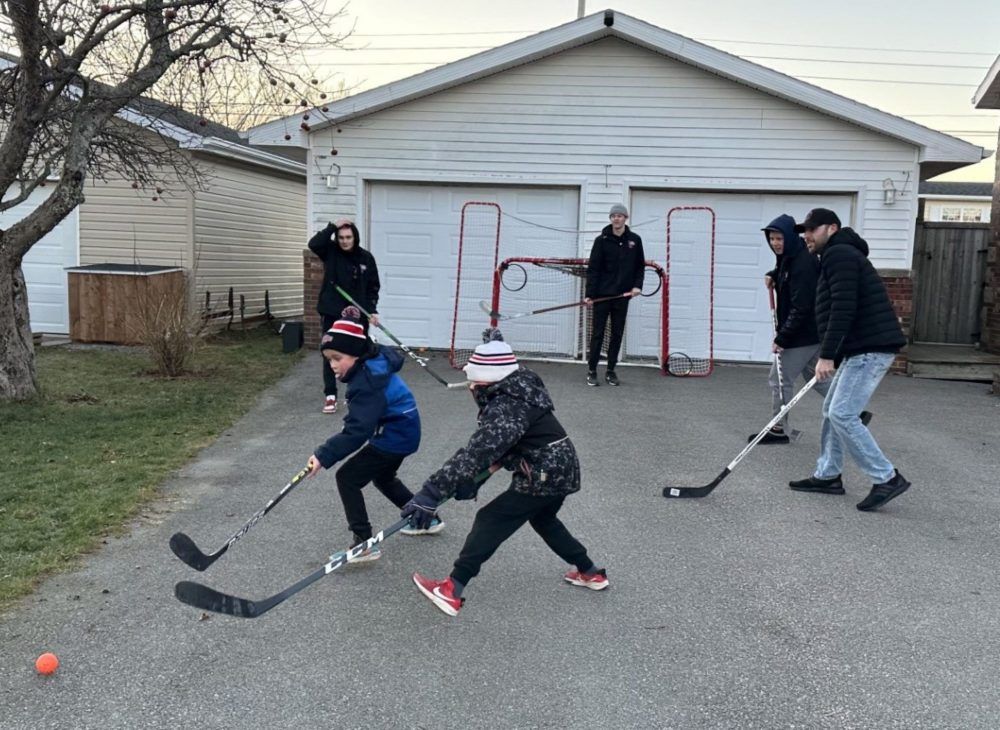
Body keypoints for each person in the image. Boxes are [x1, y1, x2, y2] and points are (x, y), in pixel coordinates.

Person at [401, 329, 607, 617]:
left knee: (491, 519)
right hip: (561, 468)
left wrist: (432, 492)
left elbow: (478, 452)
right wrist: (475, 481)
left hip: (543, 473)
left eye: (473, 381)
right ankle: (590, 572)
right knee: (544, 519)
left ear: (486, 379)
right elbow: (503, 452)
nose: (470, 387)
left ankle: (452, 589)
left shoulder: (507, 407)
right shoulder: (519, 388)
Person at [788, 208, 909, 511]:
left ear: (832, 228)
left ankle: (887, 477)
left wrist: (827, 356)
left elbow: (844, 307)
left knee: (842, 414)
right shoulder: (838, 255)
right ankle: (828, 475)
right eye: (805, 231)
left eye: (812, 230)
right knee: (832, 410)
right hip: (861, 347)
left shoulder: (839, 254)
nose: (807, 236)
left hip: (869, 347)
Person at [306, 306, 442, 563]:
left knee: (347, 477)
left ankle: (363, 544)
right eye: (329, 360)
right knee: (383, 477)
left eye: (337, 358)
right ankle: (425, 518)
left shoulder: (367, 382)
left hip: (395, 435)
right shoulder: (372, 363)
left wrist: (324, 454)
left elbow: (358, 431)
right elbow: (363, 418)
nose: (333, 365)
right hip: (404, 431)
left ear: (357, 354)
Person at [751, 213, 832, 444]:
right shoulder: (789, 257)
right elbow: (786, 275)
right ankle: (852, 411)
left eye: (780, 238)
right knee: (816, 376)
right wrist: (773, 274)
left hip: (802, 333)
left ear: (790, 237)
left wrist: (783, 338)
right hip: (810, 331)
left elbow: (802, 305)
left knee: (779, 379)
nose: (775, 243)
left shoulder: (803, 263)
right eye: (772, 238)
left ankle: (777, 429)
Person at [308, 219, 380, 414]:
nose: (344, 241)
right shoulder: (330, 252)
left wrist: (372, 310)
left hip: (359, 313)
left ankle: (356, 392)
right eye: (341, 238)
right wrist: (333, 226)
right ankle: (330, 396)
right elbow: (313, 244)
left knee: (358, 353)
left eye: (348, 237)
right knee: (330, 352)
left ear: (355, 237)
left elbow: (374, 286)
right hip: (333, 311)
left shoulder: (366, 258)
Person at [584, 203, 645, 387]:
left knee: (617, 333)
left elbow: (639, 267)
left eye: (620, 215)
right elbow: (593, 269)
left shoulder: (634, 240)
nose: (616, 219)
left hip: (622, 296)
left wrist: (637, 286)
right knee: (598, 333)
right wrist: (589, 295)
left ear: (626, 218)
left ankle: (611, 370)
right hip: (602, 296)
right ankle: (592, 370)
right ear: (610, 218)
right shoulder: (601, 240)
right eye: (613, 216)